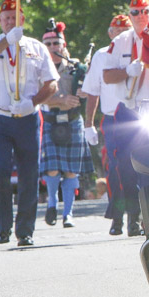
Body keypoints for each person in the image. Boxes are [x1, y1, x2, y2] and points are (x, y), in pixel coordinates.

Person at [0, 0, 59, 246]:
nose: (10, 21)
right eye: (6, 19)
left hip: (27, 118)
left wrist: (33, 101)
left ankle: (25, 230)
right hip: (0, 118)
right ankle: (3, 226)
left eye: (14, 17)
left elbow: (51, 83)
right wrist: (7, 41)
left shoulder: (36, 47)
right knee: (1, 170)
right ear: (0, 22)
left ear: (22, 20)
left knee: (29, 174)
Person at [100, 0, 149, 236]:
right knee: (125, 168)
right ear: (129, 15)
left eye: (145, 11)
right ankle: (132, 218)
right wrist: (127, 71)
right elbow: (107, 76)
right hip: (129, 110)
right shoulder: (121, 41)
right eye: (135, 12)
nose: (141, 16)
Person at [81, 14, 133, 225]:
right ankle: (118, 216)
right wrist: (88, 124)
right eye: (116, 32)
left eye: (125, 32)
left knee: (138, 168)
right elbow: (93, 92)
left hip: (137, 117)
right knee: (115, 168)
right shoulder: (102, 56)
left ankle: (136, 216)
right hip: (112, 119)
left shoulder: (139, 52)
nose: (120, 36)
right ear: (110, 34)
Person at [39, 20, 89, 229]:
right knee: (52, 169)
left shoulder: (75, 66)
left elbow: (88, 91)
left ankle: (68, 214)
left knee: (71, 171)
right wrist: (60, 100)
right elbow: (36, 97)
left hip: (72, 121)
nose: (52, 48)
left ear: (63, 44)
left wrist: (83, 88)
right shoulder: (38, 67)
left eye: (55, 43)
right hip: (51, 120)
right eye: (48, 44)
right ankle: (52, 203)